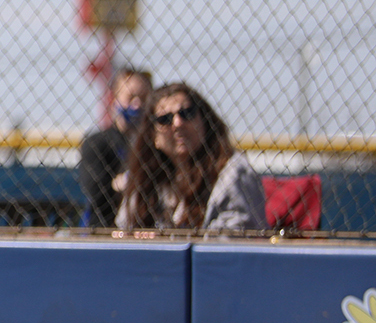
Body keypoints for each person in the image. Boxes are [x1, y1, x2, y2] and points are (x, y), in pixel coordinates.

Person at [116, 82, 267, 235]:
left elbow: (233, 241)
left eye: (187, 113)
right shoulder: (146, 179)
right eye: (165, 119)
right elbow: (123, 230)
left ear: (204, 121)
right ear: (153, 136)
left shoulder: (233, 173)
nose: (177, 123)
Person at [77, 67, 152, 229]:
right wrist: (119, 185)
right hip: (104, 226)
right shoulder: (97, 143)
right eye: (130, 97)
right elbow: (95, 190)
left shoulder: (154, 143)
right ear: (114, 100)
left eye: (143, 98)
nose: (137, 105)